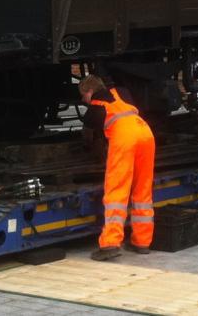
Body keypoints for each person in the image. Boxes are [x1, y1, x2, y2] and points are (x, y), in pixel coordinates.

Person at [79, 75, 155, 261]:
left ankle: (110, 244)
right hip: (145, 133)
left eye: (83, 96)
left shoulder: (96, 106)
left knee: (116, 192)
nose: (84, 101)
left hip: (124, 139)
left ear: (89, 92)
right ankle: (142, 242)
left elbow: (88, 138)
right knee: (143, 190)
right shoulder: (122, 92)